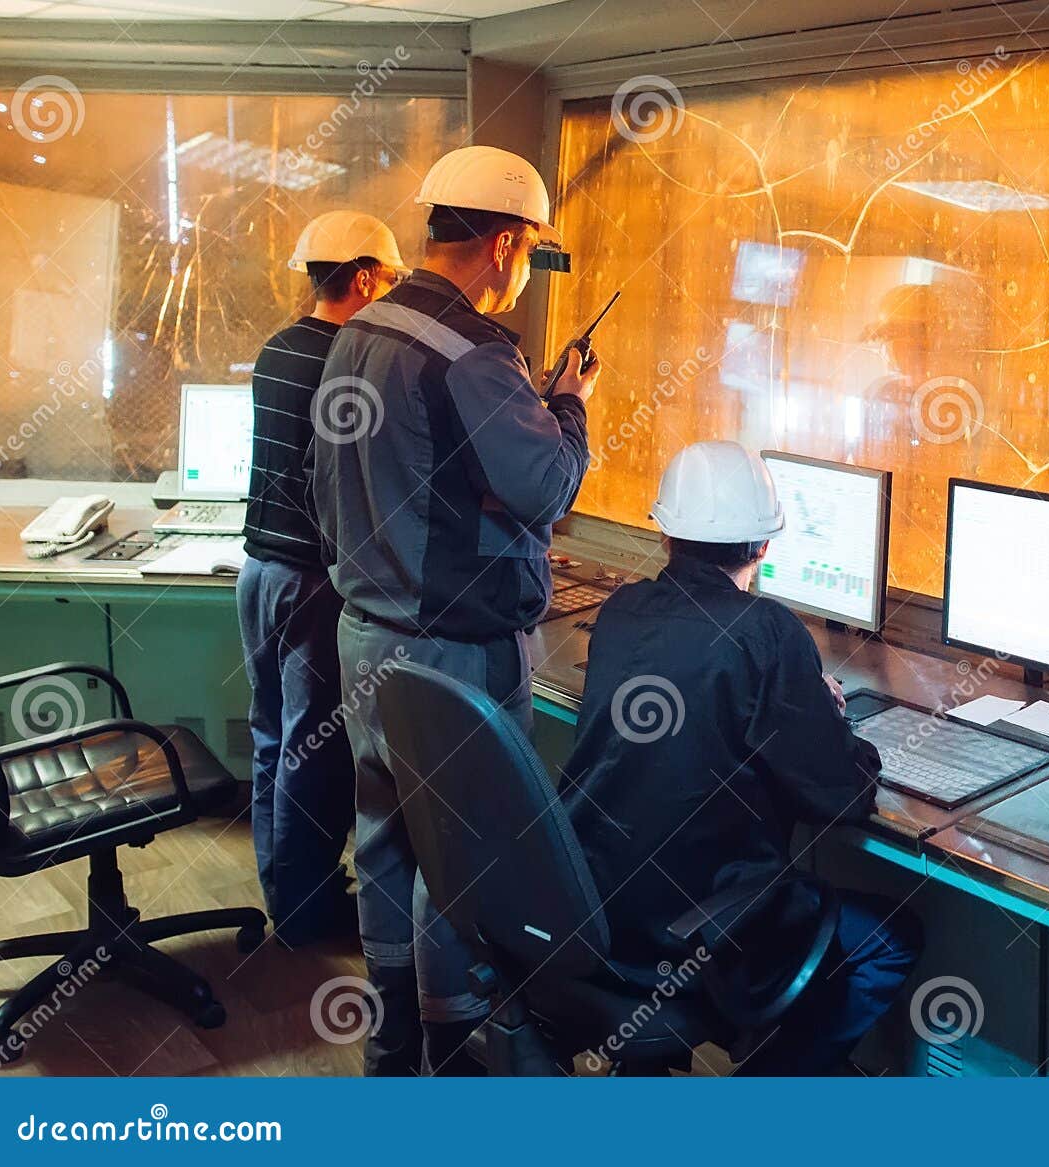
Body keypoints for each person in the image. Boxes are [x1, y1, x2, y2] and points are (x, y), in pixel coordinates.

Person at [309, 145, 598, 1077]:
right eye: (529, 249)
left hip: (364, 639)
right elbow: (545, 484)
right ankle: (453, 1056)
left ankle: (391, 1049)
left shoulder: (360, 330)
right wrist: (568, 405)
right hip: (453, 656)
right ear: (505, 243)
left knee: (385, 844)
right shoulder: (475, 350)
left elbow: (335, 482)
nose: (525, 267)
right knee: (460, 861)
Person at [561, 441, 922, 1075]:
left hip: (594, 915)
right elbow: (842, 797)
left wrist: (792, 698)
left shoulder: (620, 612)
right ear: (764, 546)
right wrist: (823, 717)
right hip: (696, 937)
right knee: (891, 939)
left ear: (666, 535)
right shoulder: (767, 633)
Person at [237, 211, 406, 949]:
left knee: (273, 735)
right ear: (363, 278)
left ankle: (283, 893)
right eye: (390, 280)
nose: (391, 294)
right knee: (313, 750)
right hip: (310, 580)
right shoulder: (347, 361)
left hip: (257, 571)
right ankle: (307, 916)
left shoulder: (277, 349)